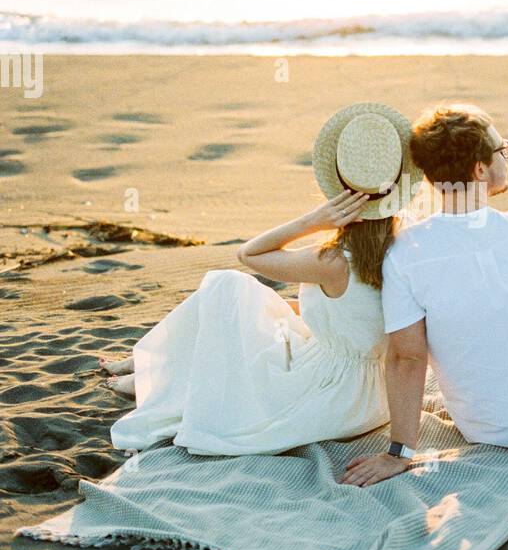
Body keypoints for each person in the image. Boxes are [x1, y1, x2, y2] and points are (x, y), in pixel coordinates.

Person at [103, 102, 423, 456]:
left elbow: (249, 254)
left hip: (331, 393)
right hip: (373, 394)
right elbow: (359, 315)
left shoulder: (333, 261)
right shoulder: (407, 242)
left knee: (228, 287)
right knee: (264, 308)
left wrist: (313, 221)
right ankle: (149, 367)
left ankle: (154, 373)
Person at [338, 103, 508, 487]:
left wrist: (398, 452)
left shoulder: (405, 253)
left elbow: (408, 357)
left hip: (482, 429)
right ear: (480, 169)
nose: (506, 155)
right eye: (501, 150)